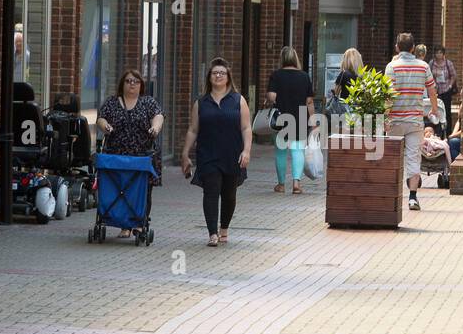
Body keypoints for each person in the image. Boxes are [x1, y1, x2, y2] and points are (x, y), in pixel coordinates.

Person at [181, 58, 251, 246]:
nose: (218, 76)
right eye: (214, 73)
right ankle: (212, 233)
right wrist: (185, 153)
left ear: (228, 77)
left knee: (229, 194)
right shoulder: (201, 102)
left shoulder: (238, 100)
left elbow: (246, 128)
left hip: (232, 153)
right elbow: (193, 130)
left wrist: (246, 150)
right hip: (208, 154)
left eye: (222, 73)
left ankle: (224, 229)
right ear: (209, 77)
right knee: (211, 192)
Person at [97, 68, 164, 237]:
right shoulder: (112, 102)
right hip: (117, 155)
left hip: (142, 155)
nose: (131, 84)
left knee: (142, 191)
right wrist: (105, 126)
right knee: (120, 189)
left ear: (141, 85)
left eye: (135, 81)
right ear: (122, 84)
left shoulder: (148, 102)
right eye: (128, 81)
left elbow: (159, 116)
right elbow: (101, 117)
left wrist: (155, 128)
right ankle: (124, 226)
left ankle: (140, 224)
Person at [385, 31, 439, 213]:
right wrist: (434, 109)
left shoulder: (391, 67)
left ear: (397, 47)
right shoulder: (423, 66)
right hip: (415, 120)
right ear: (414, 48)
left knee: (393, 158)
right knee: (414, 158)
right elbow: (432, 91)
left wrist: (385, 117)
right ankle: (413, 197)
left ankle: (392, 195)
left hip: (395, 119)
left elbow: (387, 95)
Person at [266, 46, 315, 195]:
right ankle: (296, 184)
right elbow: (309, 102)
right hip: (299, 115)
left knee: (281, 151)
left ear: (282, 59)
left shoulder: (276, 75)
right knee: (297, 150)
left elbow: (272, 96)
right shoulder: (304, 76)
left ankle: (281, 185)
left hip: (281, 116)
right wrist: (313, 123)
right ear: (295, 59)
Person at [429, 46, 458, 137]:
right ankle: (437, 133)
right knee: (436, 111)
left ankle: (448, 133)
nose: (439, 54)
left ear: (443, 54)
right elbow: (429, 75)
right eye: (437, 53)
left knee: (447, 112)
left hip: (446, 90)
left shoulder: (448, 63)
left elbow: (454, 75)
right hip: (436, 90)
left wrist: (450, 85)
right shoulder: (432, 63)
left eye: (440, 53)